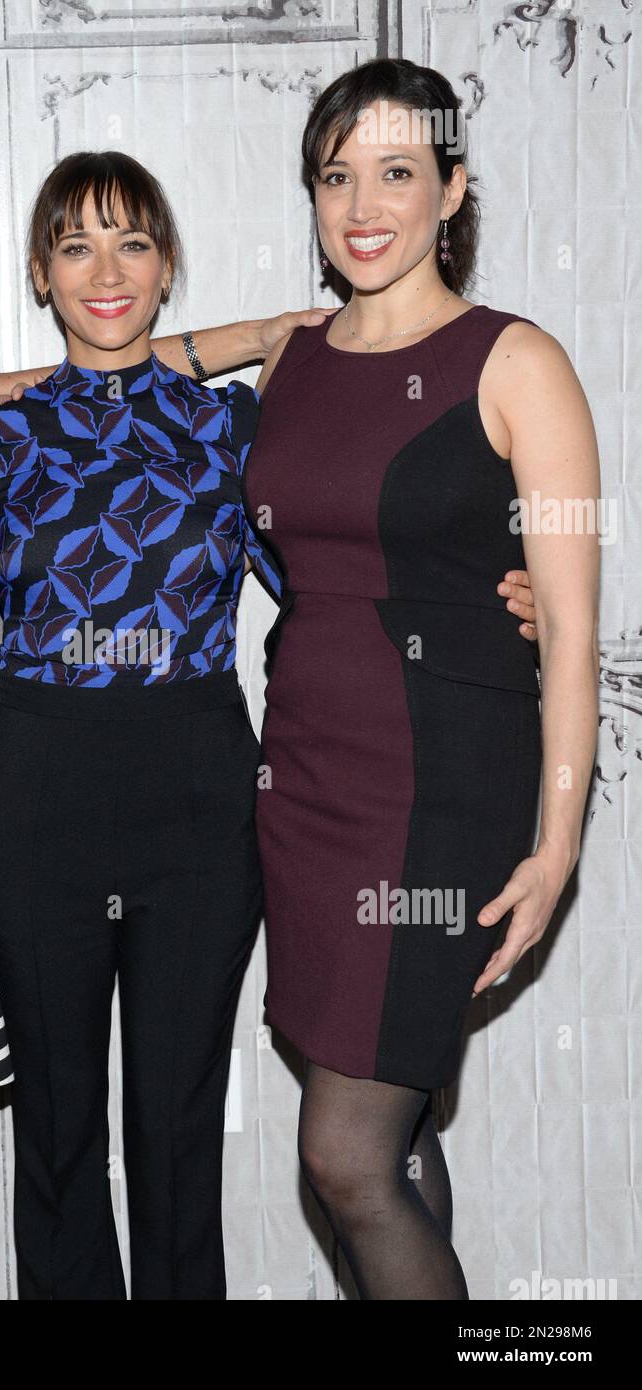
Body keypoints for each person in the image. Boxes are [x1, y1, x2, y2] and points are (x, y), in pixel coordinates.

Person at [0, 156, 538, 1299]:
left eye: (133, 243)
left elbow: (340, 577)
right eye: (78, 246)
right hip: (36, 789)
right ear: (41, 273)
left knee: (179, 1126)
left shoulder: (235, 429)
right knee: (53, 1131)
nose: (107, 271)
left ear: (166, 267)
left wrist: (498, 595)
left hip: (200, 790)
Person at [243, 59, 599, 1299]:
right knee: (397, 1137)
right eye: (336, 175)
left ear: (453, 189)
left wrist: (555, 847)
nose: (362, 203)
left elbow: (568, 622)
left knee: (343, 1155)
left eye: (397, 171)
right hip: (309, 781)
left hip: (442, 786)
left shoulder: (516, 361)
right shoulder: (291, 359)